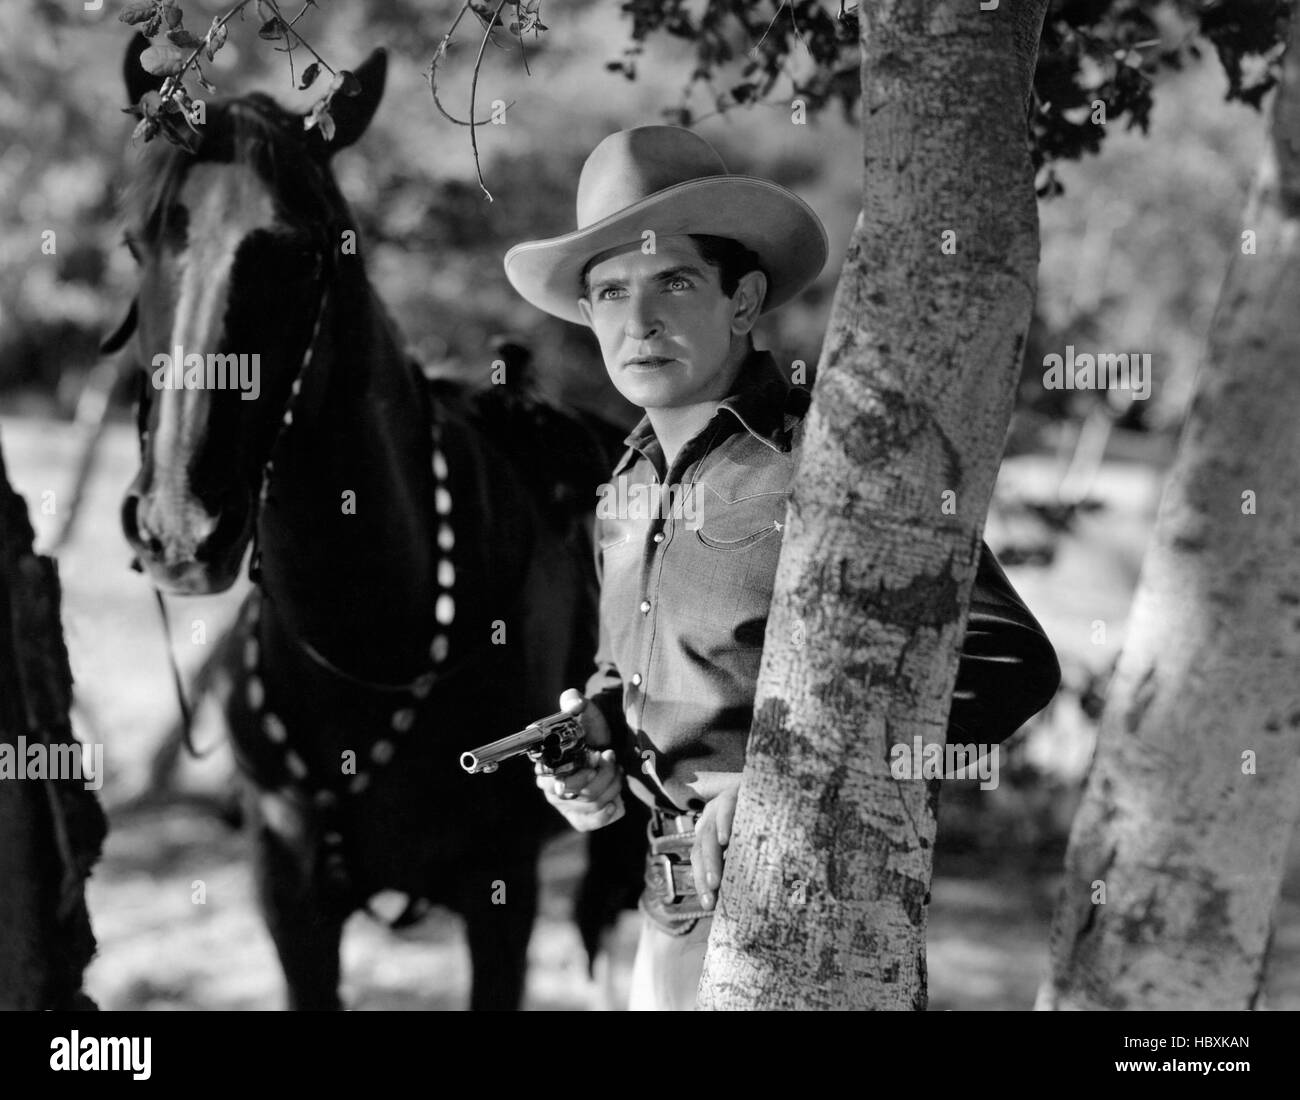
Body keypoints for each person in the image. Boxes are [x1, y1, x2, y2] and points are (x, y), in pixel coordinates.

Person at [503, 125, 1062, 1010]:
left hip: (815, 930)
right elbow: (635, 673)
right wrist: (599, 743)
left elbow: (1008, 666)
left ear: (743, 298)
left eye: (673, 282)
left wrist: (781, 794)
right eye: (609, 292)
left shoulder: (831, 462)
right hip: (668, 917)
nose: (636, 321)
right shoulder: (625, 485)